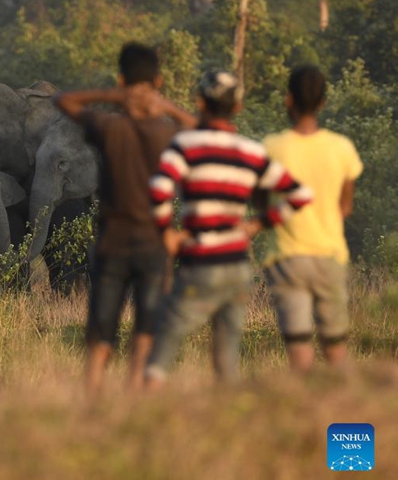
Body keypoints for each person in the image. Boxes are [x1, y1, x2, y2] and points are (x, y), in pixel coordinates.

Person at [145, 71, 314, 389]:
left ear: (199, 103)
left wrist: (167, 233)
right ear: (237, 107)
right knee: (226, 358)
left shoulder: (185, 145)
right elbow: (301, 194)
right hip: (236, 266)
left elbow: (158, 188)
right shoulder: (251, 152)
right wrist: (257, 224)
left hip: (199, 263)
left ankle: (142, 406)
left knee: (164, 343)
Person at [54, 43, 198, 396]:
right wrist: (166, 106)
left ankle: (93, 396)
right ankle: (135, 399)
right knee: (145, 330)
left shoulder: (109, 126)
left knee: (101, 330)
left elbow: (64, 100)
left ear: (120, 79)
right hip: (154, 243)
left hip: (112, 242)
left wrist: (112, 96)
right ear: (159, 81)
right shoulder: (167, 133)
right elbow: (202, 130)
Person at [263, 66, 363, 373]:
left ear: (288, 99)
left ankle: (305, 400)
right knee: (335, 346)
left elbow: (261, 201)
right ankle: (341, 401)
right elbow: (345, 207)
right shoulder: (342, 148)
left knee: (299, 347)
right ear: (323, 102)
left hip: (288, 258)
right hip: (329, 255)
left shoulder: (272, 147)